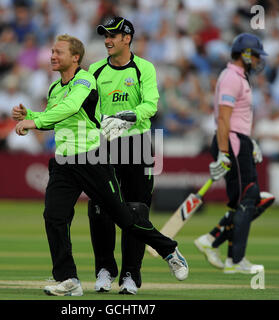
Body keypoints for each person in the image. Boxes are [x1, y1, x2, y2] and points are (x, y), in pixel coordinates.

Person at [11, 34, 188, 296]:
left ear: (75, 57)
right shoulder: (55, 87)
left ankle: (168, 249)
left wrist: (33, 122)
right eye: (52, 51)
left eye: (58, 52)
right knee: (54, 216)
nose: (52, 56)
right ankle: (68, 278)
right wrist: (32, 117)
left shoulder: (85, 80)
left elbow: (71, 108)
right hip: (63, 161)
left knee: (125, 217)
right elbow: (55, 119)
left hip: (92, 158)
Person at [86, 17, 158, 295]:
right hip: (105, 145)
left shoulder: (144, 68)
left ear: (127, 38)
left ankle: (130, 275)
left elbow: (151, 103)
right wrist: (103, 120)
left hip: (137, 145)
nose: (107, 40)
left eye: (113, 35)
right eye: (105, 35)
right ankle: (104, 270)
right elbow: (87, 107)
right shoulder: (94, 70)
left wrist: (131, 116)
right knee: (99, 208)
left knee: (136, 210)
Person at [194, 33, 275, 274]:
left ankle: (211, 241)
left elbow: (237, 119)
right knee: (248, 199)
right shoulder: (231, 78)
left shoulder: (239, 77)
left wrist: (250, 142)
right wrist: (224, 152)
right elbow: (223, 119)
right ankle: (236, 260)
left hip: (240, 141)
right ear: (246, 54)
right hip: (232, 143)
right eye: (257, 55)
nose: (259, 60)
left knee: (249, 200)